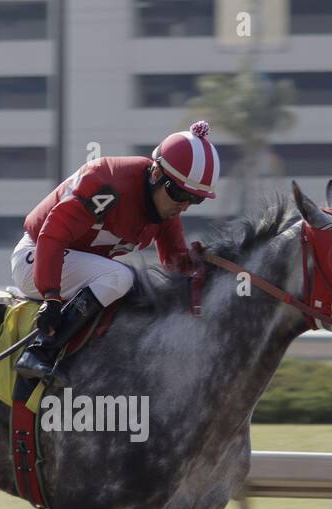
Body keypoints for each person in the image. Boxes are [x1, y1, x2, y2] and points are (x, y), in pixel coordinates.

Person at [11, 120, 221, 388]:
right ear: (156, 174)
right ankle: (39, 351)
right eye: (178, 193)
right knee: (122, 277)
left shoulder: (166, 210)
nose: (184, 206)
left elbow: (175, 265)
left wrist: (203, 266)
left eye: (195, 199)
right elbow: (52, 234)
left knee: (137, 289)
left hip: (71, 271)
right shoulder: (109, 182)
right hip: (37, 257)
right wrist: (51, 297)